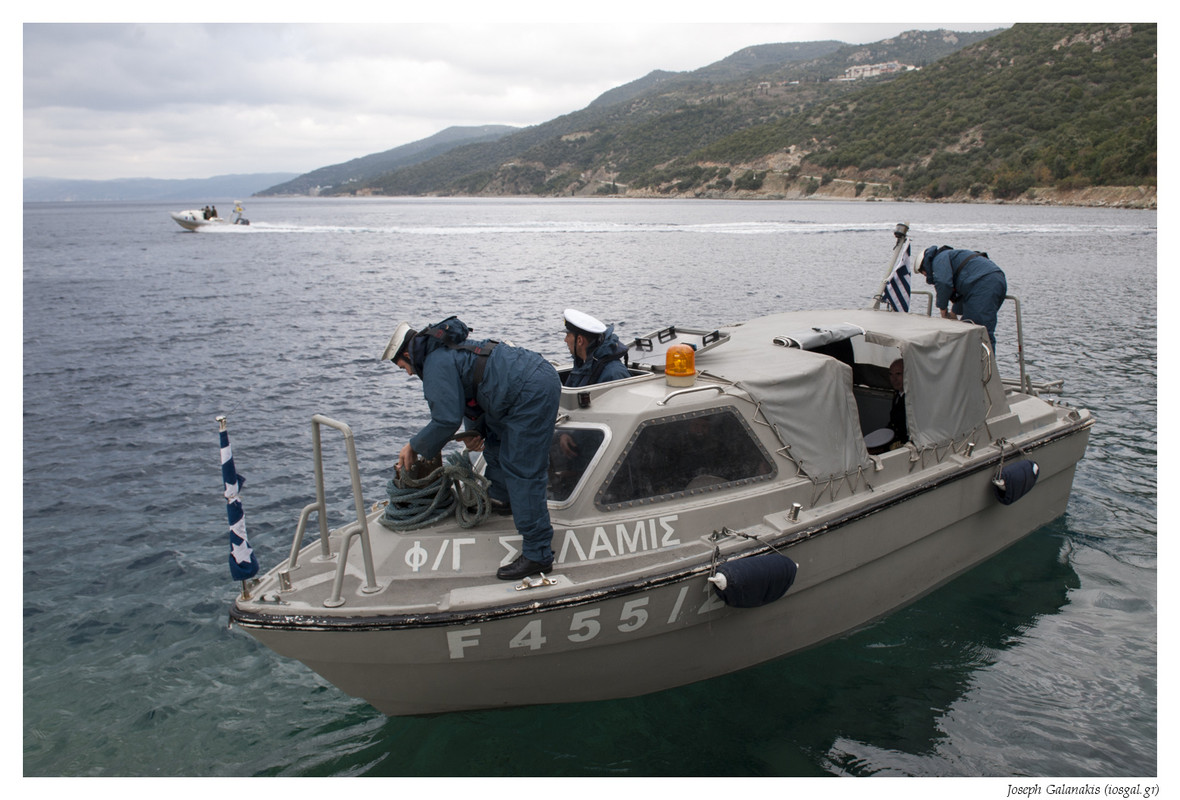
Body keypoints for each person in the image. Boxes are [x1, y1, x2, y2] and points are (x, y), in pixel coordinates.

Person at [383, 316, 561, 580]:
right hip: (521, 385)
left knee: (523, 469)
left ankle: (538, 554)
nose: (408, 373)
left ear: (408, 354)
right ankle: (501, 498)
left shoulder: (434, 363)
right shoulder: (443, 354)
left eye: (403, 367)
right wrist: (475, 430)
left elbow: (445, 420)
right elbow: (473, 387)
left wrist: (414, 446)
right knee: (496, 443)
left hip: (529, 391)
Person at [915, 245, 1007, 348]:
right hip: (992, 281)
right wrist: (954, 312)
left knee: (978, 332)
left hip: (983, 284)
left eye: (923, 273)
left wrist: (943, 309)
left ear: (925, 266)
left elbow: (943, 282)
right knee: (971, 327)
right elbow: (963, 288)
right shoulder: (951, 257)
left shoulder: (939, 259)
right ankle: (978, 361)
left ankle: (982, 363)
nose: (925, 275)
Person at [562, 308, 630, 387]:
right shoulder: (583, 364)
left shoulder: (614, 374)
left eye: (567, 335)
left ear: (580, 340)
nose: (565, 340)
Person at [887, 358, 909, 446]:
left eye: (898, 374)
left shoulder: (911, 398)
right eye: (891, 374)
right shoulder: (897, 395)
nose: (894, 379)